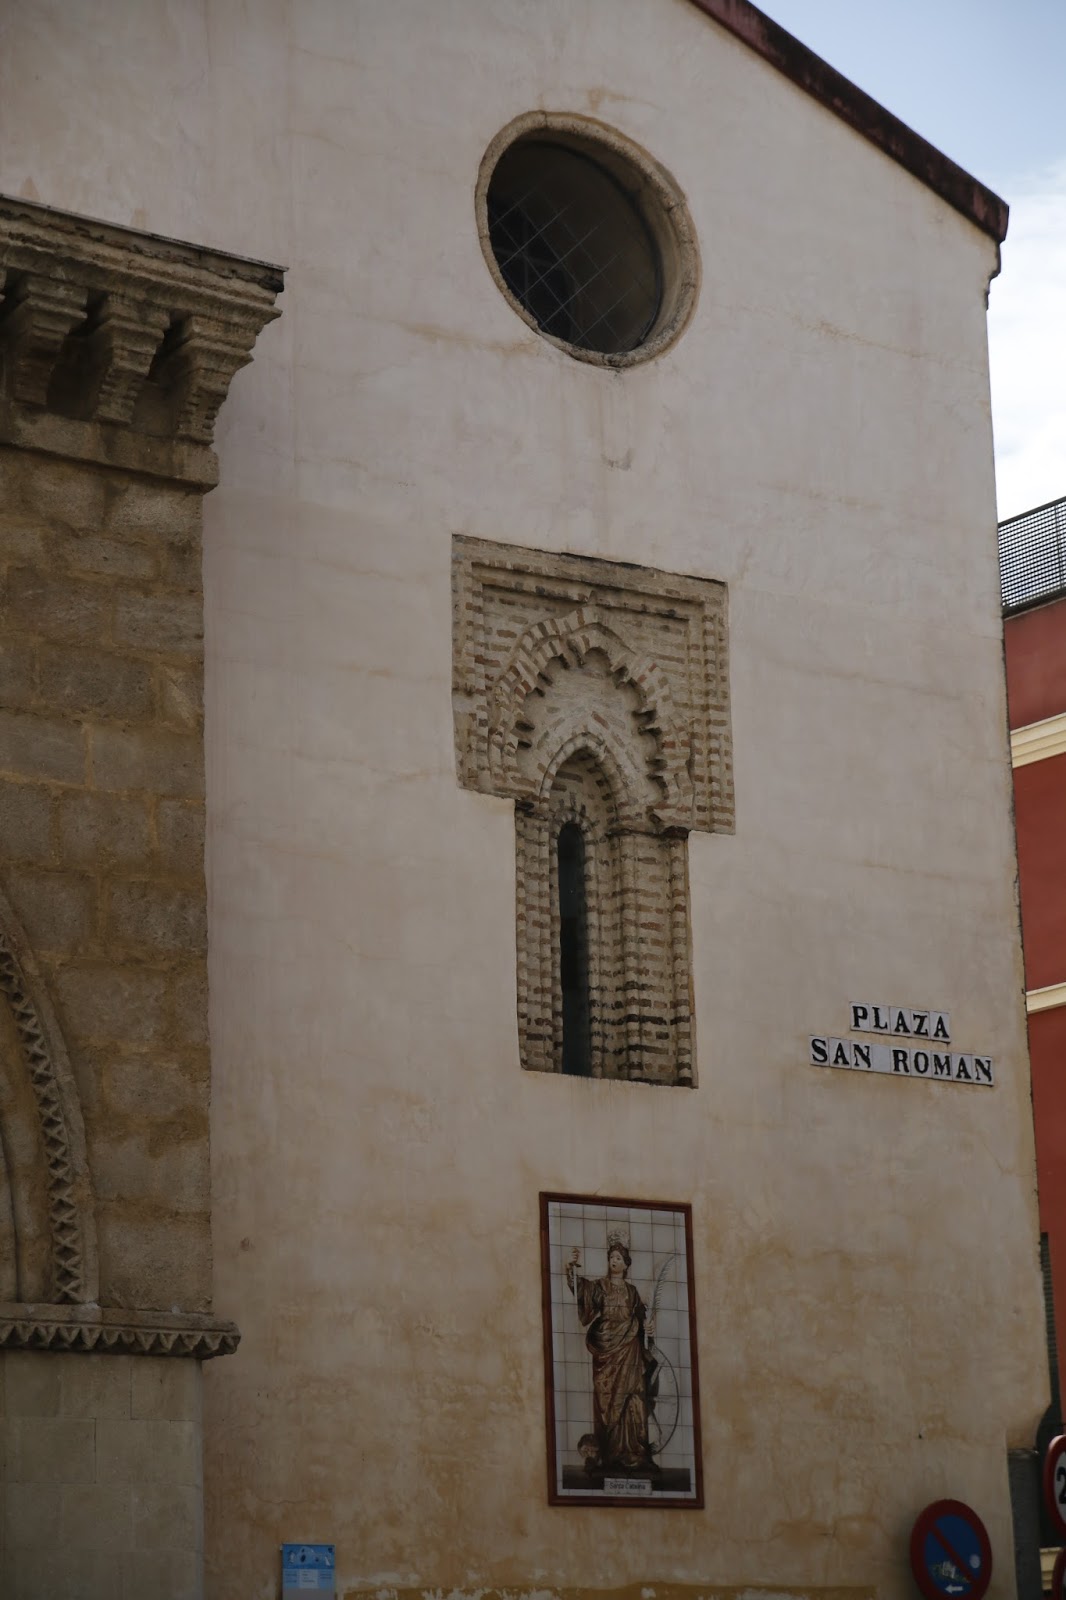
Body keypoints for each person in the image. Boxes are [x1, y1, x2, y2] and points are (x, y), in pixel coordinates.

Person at [565, 1240, 656, 1474]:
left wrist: (648, 1328)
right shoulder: (600, 1286)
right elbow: (582, 1291)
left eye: (618, 1258)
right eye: (611, 1257)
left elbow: (642, 1320)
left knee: (634, 1397)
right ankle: (609, 1454)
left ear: (626, 1264)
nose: (613, 1261)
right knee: (608, 1399)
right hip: (607, 1349)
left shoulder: (632, 1291)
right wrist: (572, 1269)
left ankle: (635, 1452)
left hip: (631, 1350)